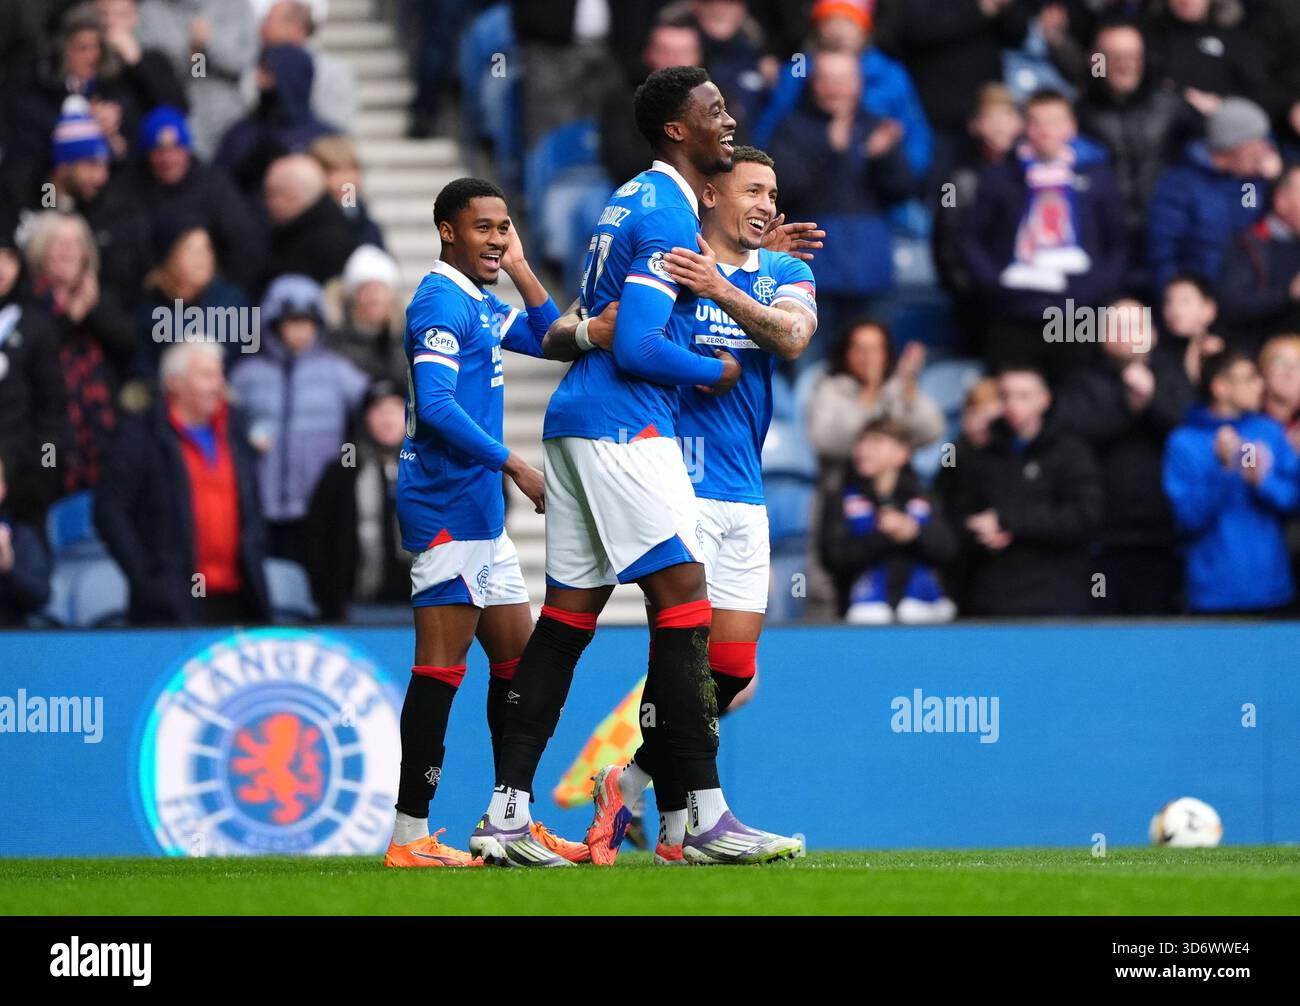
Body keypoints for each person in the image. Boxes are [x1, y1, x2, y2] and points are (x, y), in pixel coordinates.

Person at [470, 67, 800, 868]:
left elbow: (600, 324)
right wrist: (711, 372)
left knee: (567, 621)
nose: (728, 117)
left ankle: (505, 814)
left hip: (574, 422)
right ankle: (707, 817)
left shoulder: (630, 198)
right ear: (678, 131)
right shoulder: (664, 211)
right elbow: (642, 343)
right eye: (713, 109)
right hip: (624, 426)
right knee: (684, 596)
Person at [572, 145, 820, 866]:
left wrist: (723, 287)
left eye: (774, 191)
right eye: (753, 188)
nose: (768, 203)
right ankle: (696, 825)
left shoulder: (783, 272)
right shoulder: (667, 269)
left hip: (745, 492)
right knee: (683, 659)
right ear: (710, 195)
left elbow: (793, 336)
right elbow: (626, 340)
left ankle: (630, 779)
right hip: (672, 484)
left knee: (733, 671)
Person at [382, 177, 599, 868]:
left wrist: (525, 271)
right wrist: (517, 464)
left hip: (480, 514)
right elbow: (437, 407)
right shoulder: (438, 301)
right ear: (449, 231)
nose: (497, 239)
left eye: (505, 228)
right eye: (484, 228)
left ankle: (511, 816)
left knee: (519, 666)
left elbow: (554, 339)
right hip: (446, 508)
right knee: (439, 672)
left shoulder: (479, 300)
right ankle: (409, 835)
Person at [95, 340, 271, 625]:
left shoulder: (236, 431)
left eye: (219, 375)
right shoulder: (140, 435)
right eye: (206, 376)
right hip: (169, 603)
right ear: (174, 382)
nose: (218, 385)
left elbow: (251, 508)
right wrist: (145, 578)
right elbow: (109, 512)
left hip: (238, 598)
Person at [957, 88, 1127, 376]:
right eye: (1036, 122)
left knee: (1077, 397)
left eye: (1054, 121)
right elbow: (971, 240)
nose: (1045, 131)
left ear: (1071, 126)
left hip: (1077, 313)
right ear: (1025, 127)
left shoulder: (1097, 177)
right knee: (1012, 395)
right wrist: (996, 283)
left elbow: (1118, 242)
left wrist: (1094, 289)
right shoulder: (1000, 177)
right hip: (1016, 312)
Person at [765, 49, 920, 351]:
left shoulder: (877, 127)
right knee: (808, 359)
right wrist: (830, 149)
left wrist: (884, 157)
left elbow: (904, 190)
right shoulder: (790, 129)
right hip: (811, 270)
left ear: (859, 83)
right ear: (814, 83)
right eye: (828, 79)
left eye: (844, 80)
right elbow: (784, 190)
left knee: (871, 360)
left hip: (870, 271)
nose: (836, 88)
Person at [1056, 298, 1194, 614]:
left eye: (1134, 327)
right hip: (1102, 537)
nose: (1125, 335)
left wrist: (1151, 401)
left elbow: (1187, 430)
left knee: (1161, 633)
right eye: (1116, 327)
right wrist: (1128, 406)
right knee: (1103, 633)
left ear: (1153, 334)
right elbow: (1074, 434)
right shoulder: (1082, 380)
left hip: (1164, 535)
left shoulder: (1172, 375)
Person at [229, 273, 367, 563]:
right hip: (259, 500)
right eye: (291, 322)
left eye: (306, 322)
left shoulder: (338, 372)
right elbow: (226, 426)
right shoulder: (246, 375)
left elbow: (375, 409)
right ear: (274, 324)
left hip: (316, 503)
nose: (299, 331)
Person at [947, 364, 1104, 616]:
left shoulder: (1072, 452)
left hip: (1055, 599)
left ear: (1044, 399)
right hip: (991, 601)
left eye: (1023, 396)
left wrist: (1009, 522)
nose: (1012, 404)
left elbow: (1083, 517)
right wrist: (978, 529)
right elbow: (957, 517)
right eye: (1005, 395)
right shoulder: (978, 454)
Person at [1163, 349, 1300, 613]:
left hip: (1271, 590)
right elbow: (1187, 518)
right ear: (1220, 387)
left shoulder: (1268, 431)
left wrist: (1263, 481)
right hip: (1213, 593)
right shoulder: (1185, 442)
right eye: (1248, 379)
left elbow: (1293, 501)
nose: (1259, 386)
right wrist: (1224, 471)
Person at [20, 211, 133, 494]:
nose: (68, 251)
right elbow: (33, 354)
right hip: (47, 435)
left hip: (102, 429)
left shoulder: (103, 298)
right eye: (58, 243)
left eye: (76, 243)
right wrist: (71, 317)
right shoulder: (27, 301)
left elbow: (128, 344)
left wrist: (92, 310)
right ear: (41, 251)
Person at [820, 417, 957, 624]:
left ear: (902, 454)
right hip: (856, 620)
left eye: (876, 442)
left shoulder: (923, 498)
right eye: (861, 442)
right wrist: (883, 535)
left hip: (920, 619)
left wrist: (913, 533)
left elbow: (948, 550)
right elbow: (834, 557)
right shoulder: (840, 497)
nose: (864, 450)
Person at [1147, 97, 1281, 296]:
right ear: (1233, 147)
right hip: (1203, 298)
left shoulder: (1251, 182)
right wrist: (1180, 299)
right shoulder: (1179, 187)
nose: (1265, 153)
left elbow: (1262, 224)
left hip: (1249, 296)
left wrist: (1277, 180)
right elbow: (1162, 254)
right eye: (1258, 145)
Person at [303, 380, 410, 621]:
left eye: (395, 410)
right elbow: (316, 539)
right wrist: (330, 600)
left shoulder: (430, 470)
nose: (387, 419)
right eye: (379, 411)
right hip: (358, 608)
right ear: (364, 418)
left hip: (424, 605)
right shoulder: (342, 472)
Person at [131, 105, 264, 293]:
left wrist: (225, 291)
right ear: (147, 155)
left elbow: (243, 243)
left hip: (211, 294)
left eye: (175, 148)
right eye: (158, 150)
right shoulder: (133, 189)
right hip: (153, 295)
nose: (168, 158)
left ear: (187, 149)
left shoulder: (215, 186)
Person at [136, 0, 258, 161]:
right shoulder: (150, 11)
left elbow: (244, 62)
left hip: (229, 121)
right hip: (174, 122)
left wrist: (209, 43)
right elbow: (149, 69)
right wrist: (194, 52)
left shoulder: (236, 6)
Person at [0, 234, 67, 525]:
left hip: (22, 492)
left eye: (9, 259)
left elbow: (51, 410)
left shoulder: (35, 325)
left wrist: (35, 474)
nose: (2, 269)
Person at [1218, 163, 1300, 348]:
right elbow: (1234, 304)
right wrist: (1288, 294)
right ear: (1281, 201)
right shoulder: (1249, 244)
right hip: (1262, 353)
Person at [261, 154, 361, 291]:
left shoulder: (328, 240)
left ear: (292, 195)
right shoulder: (290, 231)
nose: (266, 203)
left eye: (272, 193)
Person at [331, 244, 404, 384]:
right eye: (365, 289)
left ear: (391, 296)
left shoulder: (409, 342)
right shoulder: (336, 346)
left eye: (379, 288)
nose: (373, 297)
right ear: (353, 299)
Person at [0, 456, 51, 628]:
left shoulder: (21, 538)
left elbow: (40, 595)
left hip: (11, 641)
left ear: (2, 489)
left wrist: (9, 569)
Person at [1162, 272, 1226, 386]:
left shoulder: (1224, 350)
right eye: (1169, 302)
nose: (1175, 310)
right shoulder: (1157, 356)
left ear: (1209, 308)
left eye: (1185, 302)